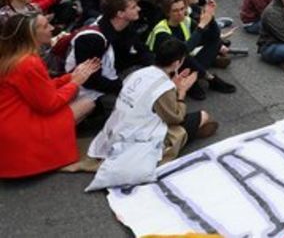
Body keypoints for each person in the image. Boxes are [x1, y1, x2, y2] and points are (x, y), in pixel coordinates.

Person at [87, 38, 219, 185]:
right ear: (177, 63)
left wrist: (172, 85)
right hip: (137, 139)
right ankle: (189, 136)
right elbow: (175, 118)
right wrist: (181, 92)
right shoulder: (163, 87)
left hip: (115, 129)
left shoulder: (139, 73)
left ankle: (191, 133)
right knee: (203, 116)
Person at [0, 13, 100, 178]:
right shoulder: (28, 62)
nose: (52, 28)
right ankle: (52, 149)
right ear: (32, 34)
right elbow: (48, 104)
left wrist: (70, 77)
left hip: (9, 125)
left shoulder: (12, 57)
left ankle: (57, 143)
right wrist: (75, 82)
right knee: (88, 103)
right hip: (19, 130)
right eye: (46, 26)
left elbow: (41, 89)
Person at [65, 0, 155, 103]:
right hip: (89, 91)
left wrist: (156, 68)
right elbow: (91, 80)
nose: (139, 9)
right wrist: (123, 87)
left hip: (114, 76)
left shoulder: (125, 26)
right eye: (133, 7)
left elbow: (141, 50)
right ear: (120, 14)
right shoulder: (91, 39)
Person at [147, 0, 237, 99]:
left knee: (216, 41)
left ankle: (192, 81)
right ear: (168, 13)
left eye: (182, 9)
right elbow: (181, 51)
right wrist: (201, 25)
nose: (180, 13)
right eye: (175, 11)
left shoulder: (186, 20)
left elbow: (213, 36)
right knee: (183, 54)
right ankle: (209, 78)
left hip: (183, 61)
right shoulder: (161, 32)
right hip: (167, 68)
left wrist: (210, 18)